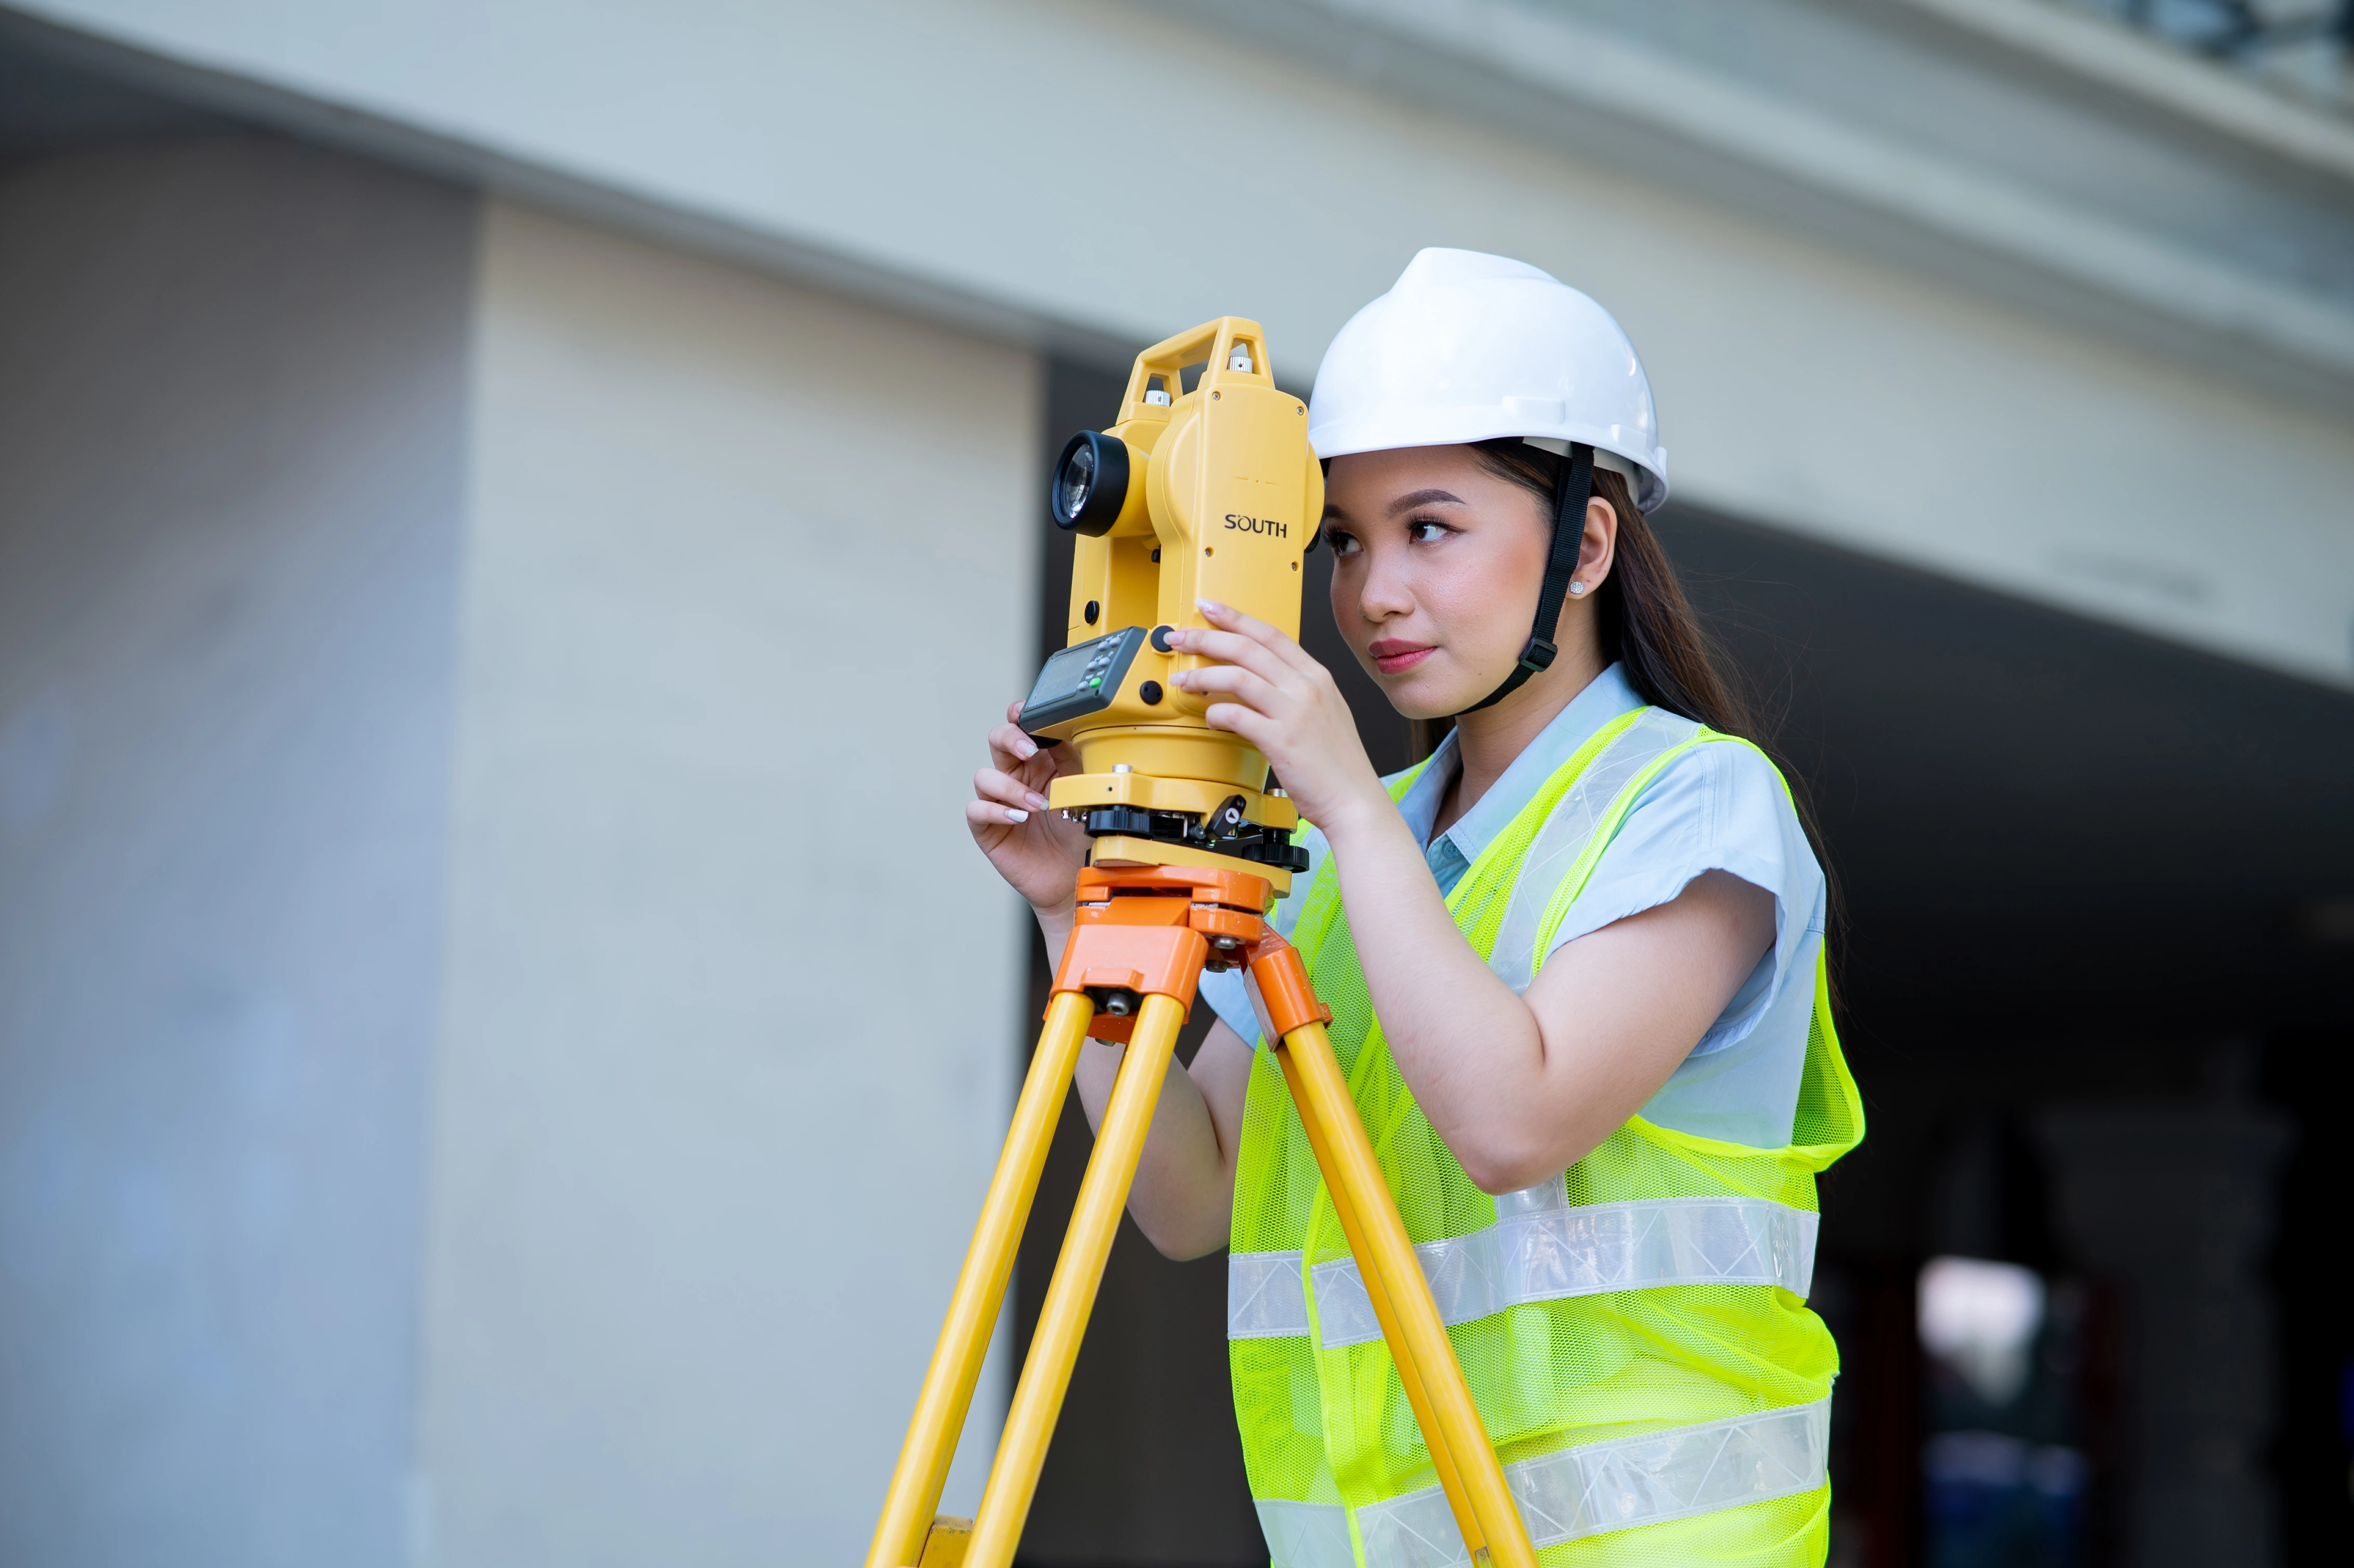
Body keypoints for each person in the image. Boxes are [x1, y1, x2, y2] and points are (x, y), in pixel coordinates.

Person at [967, 249, 1863, 1568]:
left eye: (1428, 529)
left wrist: (1347, 806)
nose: (1373, 590)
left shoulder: (1696, 806)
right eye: (1344, 540)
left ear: (1584, 544)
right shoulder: (1348, 841)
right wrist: (1072, 910)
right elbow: (1183, 1194)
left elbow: (1513, 1122)